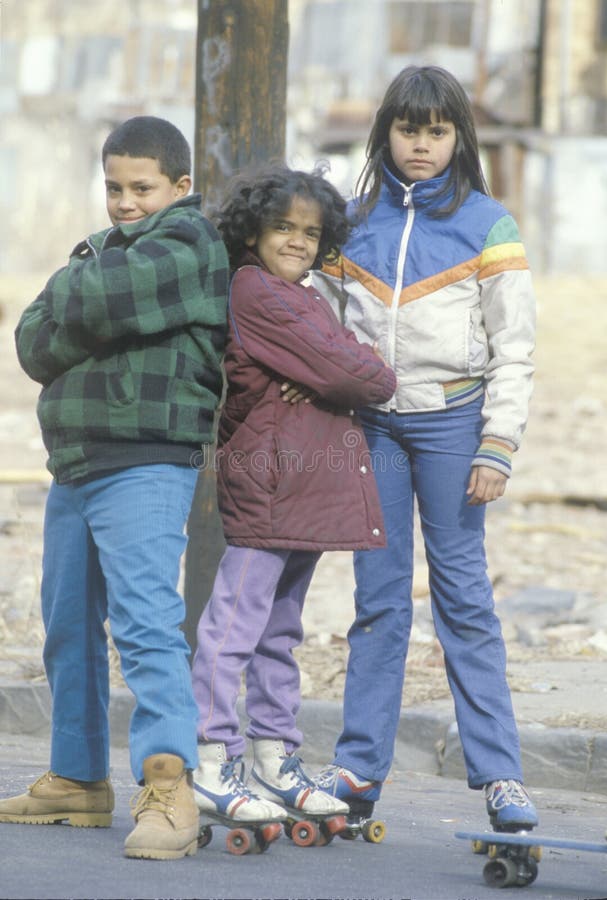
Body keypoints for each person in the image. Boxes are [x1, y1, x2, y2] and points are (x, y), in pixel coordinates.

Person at [309, 65, 539, 832]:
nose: (421, 144)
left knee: (464, 600)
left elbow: (517, 348)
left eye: (437, 131)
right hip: (373, 428)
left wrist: (497, 443)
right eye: (408, 129)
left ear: (458, 137)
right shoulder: (349, 221)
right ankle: (358, 768)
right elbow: (321, 327)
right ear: (385, 133)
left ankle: (501, 775)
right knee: (377, 603)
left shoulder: (489, 225)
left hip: (454, 429)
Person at [0, 116, 229, 860]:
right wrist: (89, 298)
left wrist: (78, 293)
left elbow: (92, 303)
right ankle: (77, 778)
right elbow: (33, 342)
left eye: (142, 188)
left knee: (145, 624)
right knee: (66, 624)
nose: (125, 202)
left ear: (181, 187)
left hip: (146, 458)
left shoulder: (191, 243)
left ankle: (169, 785)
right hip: (76, 461)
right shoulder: (99, 253)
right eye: (113, 188)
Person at [189, 164, 397, 830]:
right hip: (269, 484)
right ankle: (211, 760)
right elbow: (365, 375)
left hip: (299, 489)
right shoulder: (258, 292)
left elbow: (341, 366)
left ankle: (274, 759)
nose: (298, 242)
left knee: (278, 631)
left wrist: (335, 366)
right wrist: (339, 367)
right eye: (283, 227)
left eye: (311, 233)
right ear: (254, 230)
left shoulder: (305, 295)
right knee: (234, 626)